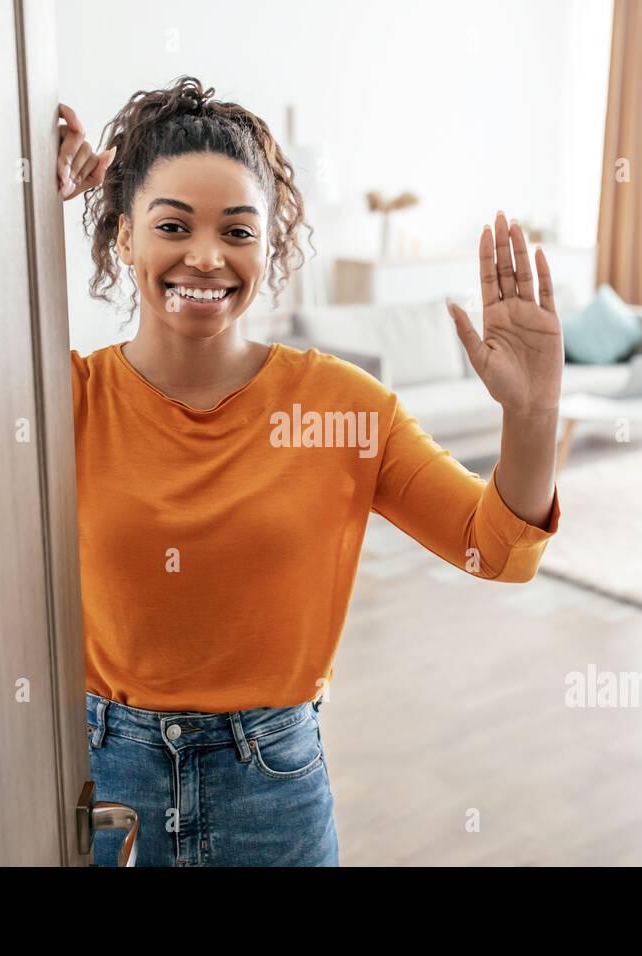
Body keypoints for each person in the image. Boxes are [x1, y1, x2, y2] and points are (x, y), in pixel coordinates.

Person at [57, 76, 563, 867]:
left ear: (268, 247)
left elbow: (494, 550)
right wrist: (14, 208)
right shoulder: (62, 400)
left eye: (237, 231)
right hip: (108, 787)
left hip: (271, 789)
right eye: (172, 225)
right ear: (123, 238)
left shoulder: (342, 406)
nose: (206, 256)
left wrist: (529, 417)